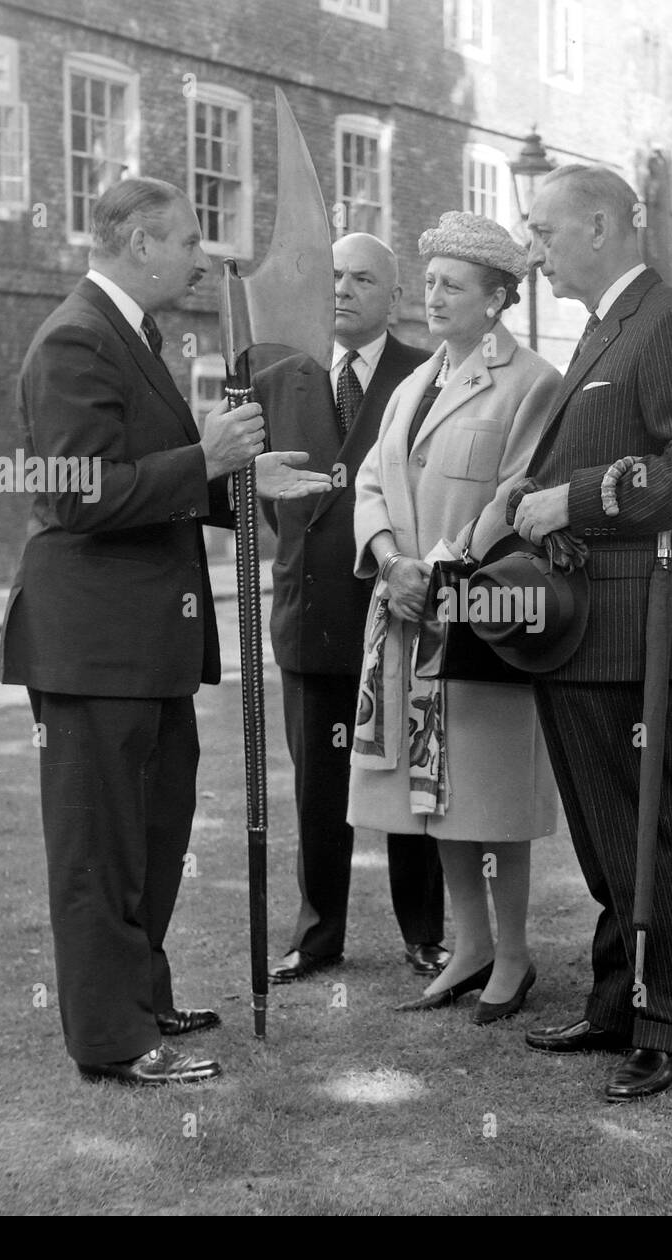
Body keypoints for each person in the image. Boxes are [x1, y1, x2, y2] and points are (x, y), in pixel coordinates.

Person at [0, 177, 330, 1086]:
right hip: (95, 645)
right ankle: (111, 1038)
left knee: (153, 828)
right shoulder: (74, 339)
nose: (198, 257)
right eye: (185, 240)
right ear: (138, 243)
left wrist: (249, 486)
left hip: (148, 647)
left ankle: (142, 994)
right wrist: (206, 457)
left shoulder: (128, 336)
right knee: (100, 847)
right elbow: (75, 494)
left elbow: (151, 481)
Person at [514, 165, 672, 1100]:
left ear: (601, 225)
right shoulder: (609, 329)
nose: (534, 254)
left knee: (652, 830)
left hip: (636, 626)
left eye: (544, 232)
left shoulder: (671, 324)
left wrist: (570, 498)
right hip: (585, 625)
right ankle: (619, 998)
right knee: (607, 829)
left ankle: (668, 1020)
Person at [349, 211, 562, 1023]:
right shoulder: (416, 381)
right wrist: (391, 561)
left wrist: (435, 572)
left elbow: (517, 494)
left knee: (491, 795)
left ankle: (512, 957)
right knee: (431, 795)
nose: (432, 296)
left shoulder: (532, 382)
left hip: (478, 617)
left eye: (451, 285)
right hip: (407, 614)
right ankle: (466, 946)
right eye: (428, 280)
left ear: (498, 298)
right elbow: (372, 481)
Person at [254, 233, 448, 985]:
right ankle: (317, 934)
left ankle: (425, 932)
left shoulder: (424, 374)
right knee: (316, 786)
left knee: (407, 780)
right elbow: (265, 495)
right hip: (308, 615)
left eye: (362, 279)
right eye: (332, 275)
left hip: (392, 613)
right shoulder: (281, 376)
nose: (342, 290)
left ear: (393, 297)